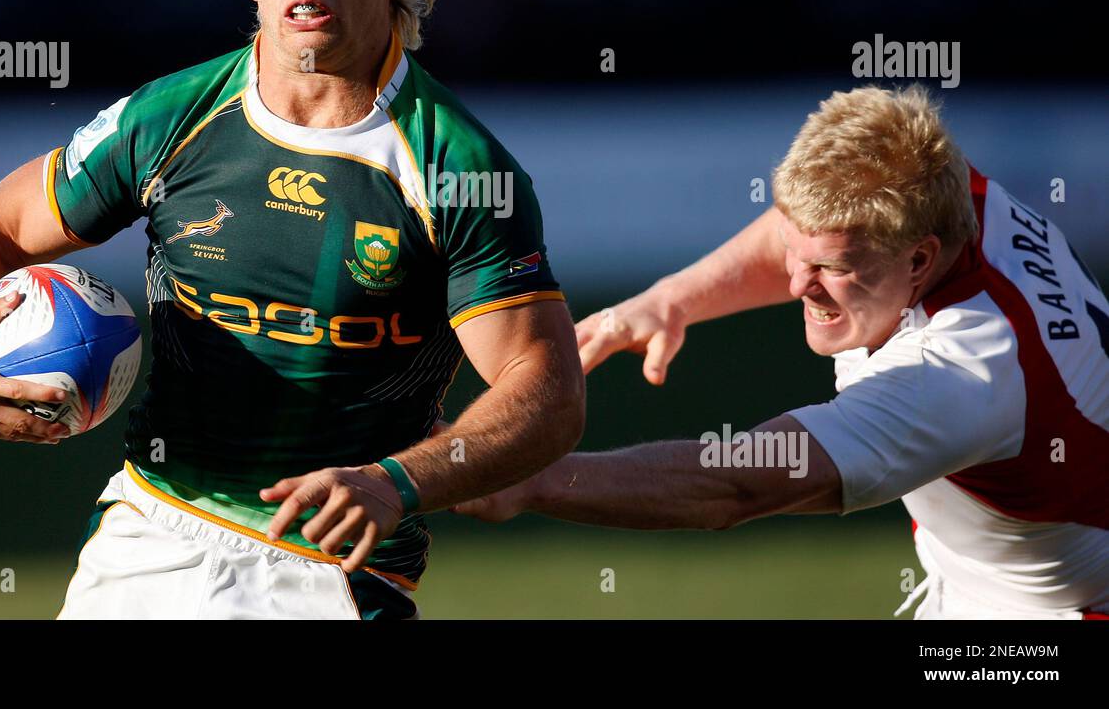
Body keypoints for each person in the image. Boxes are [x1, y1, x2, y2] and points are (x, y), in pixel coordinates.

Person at [0, 0, 584, 620]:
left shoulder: (457, 167)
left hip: (331, 573)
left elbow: (546, 391)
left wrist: (398, 480)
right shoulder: (174, 118)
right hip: (149, 537)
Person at [459, 85, 1109, 619]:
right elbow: (808, 230)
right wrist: (672, 298)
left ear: (919, 259)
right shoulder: (941, 191)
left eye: (830, 268)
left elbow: (735, 484)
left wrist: (533, 480)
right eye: (799, 255)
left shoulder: (958, 375)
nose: (798, 284)